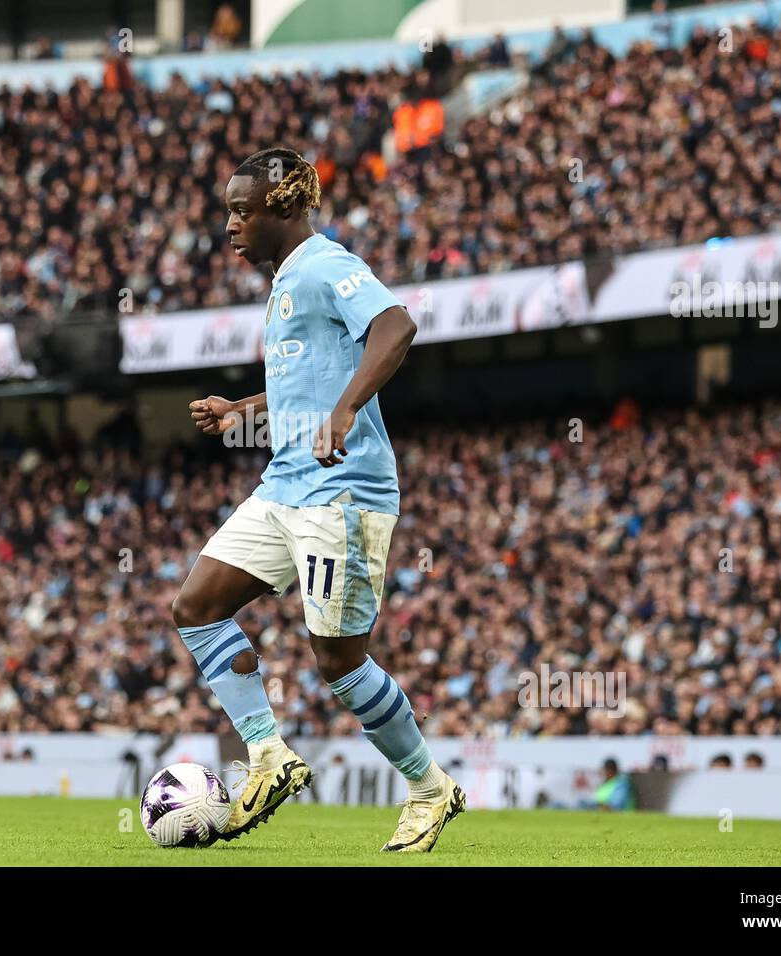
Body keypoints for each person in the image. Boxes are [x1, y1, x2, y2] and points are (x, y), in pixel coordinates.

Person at [173, 146, 464, 852]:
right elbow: (301, 393)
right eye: (228, 212)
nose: (231, 225)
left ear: (284, 207)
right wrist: (240, 410)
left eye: (241, 210)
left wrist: (345, 410)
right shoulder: (282, 284)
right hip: (286, 484)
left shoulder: (327, 265)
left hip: (344, 493)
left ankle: (431, 787)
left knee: (337, 662)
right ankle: (269, 757)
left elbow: (395, 326)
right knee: (195, 607)